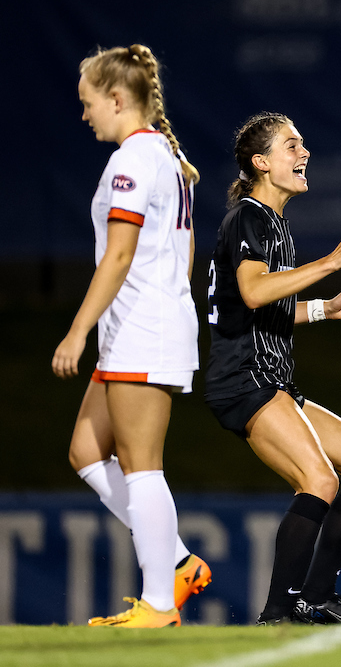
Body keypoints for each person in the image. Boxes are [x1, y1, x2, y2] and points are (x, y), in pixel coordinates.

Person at [205, 112, 341, 625]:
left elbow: (263, 305)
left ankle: (317, 595)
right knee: (319, 480)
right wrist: (331, 262)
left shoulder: (271, 221)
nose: (303, 153)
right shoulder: (248, 216)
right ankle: (279, 612)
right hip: (245, 381)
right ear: (261, 163)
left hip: (270, 379)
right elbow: (253, 289)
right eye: (291, 146)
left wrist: (326, 309)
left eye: (303, 144)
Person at [53, 44, 203, 627]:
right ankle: (182, 561)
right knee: (87, 453)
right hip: (145, 326)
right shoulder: (165, 155)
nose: (85, 113)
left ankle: (161, 603)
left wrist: (77, 330)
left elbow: (117, 257)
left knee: (142, 466)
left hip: (141, 328)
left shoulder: (132, 161)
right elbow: (183, 251)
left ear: (118, 98)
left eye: (88, 102)